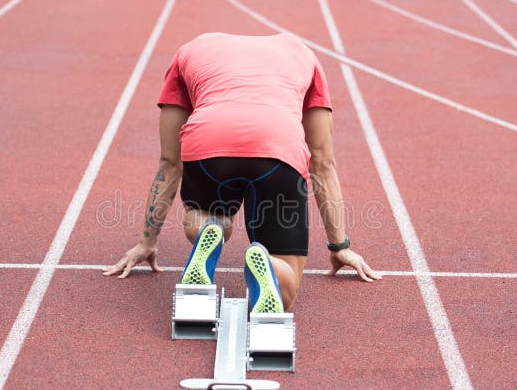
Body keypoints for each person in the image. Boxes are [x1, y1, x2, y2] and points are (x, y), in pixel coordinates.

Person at [103, 32, 379, 311]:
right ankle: (268, 264)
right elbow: (322, 161)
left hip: (210, 142)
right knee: (287, 288)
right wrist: (339, 245)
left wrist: (147, 241)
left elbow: (169, 161)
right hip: (278, 146)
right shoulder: (303, 53)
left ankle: (209, 230)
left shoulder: (192, 49)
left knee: (203, 215)